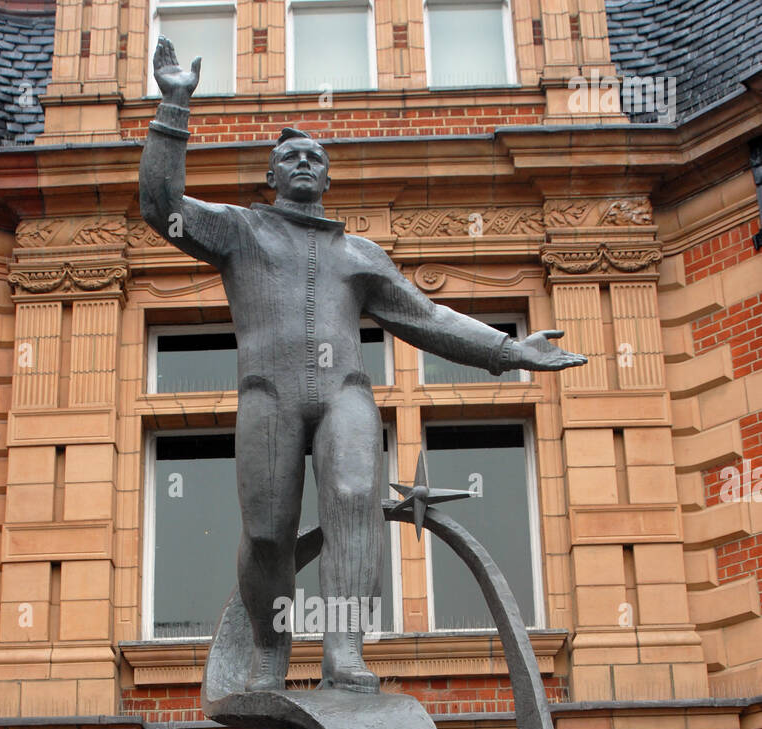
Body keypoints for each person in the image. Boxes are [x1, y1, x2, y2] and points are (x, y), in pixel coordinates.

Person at [139, 41, 586, 692]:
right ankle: (270, 641)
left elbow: (427, 318)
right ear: (272, 176)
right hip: (270, 397)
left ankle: (343, 652)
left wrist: (508, 350)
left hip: (345, 396)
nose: (303, 162)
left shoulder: (360, 255)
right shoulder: (239, 232)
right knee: (267, 535)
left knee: (352, 502)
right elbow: (159, 205)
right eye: (290, 156)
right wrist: (174, 106)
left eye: (315, 158)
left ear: (326, 181)